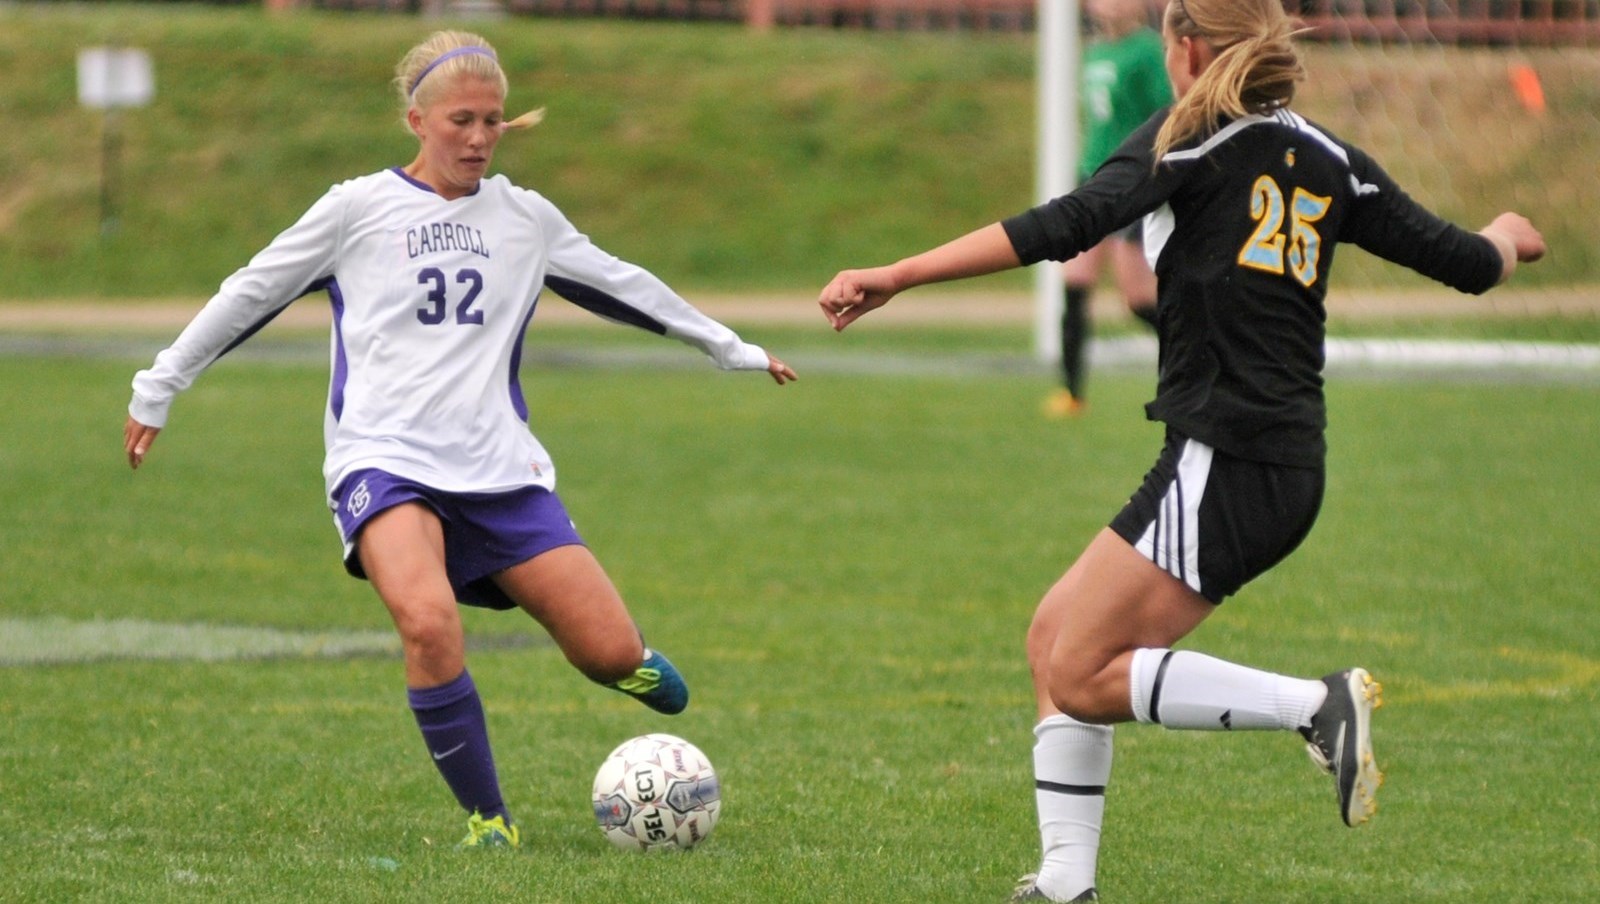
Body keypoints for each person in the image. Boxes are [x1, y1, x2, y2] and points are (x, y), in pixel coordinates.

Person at [818, 0, 1544, 897]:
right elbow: (1466, 262)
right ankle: (1064, 882)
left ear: (1185, 47)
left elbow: (1066, 222)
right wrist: (1508, 238)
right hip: (1269, 461)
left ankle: (1314, 708)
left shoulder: (1187, 135)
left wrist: (898, 273)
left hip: (1228, 460)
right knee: (1055, 638)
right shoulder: (1328, 159)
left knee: (1079, 672)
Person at [124, 30, 796, 850]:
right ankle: (490, 821)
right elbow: (249, 293)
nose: (479, 138)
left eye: (494, 122)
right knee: (429, 622)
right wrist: (159, 386)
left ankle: (628, 664)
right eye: (461, 121)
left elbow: (625, 286)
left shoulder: (525, 219)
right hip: (383, 460)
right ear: (417, 120)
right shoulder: (355, 209)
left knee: (606, 648)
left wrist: (733, 348)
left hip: (500, 469)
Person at [1047, 0, 1172, 418]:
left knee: (1138, 298)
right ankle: (1071, 393)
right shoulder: (1096, 52)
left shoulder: (1148, 51)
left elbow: (1164, 113)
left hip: (1131, 182)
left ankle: (1200, 363)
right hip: (1090, 179)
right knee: (1075, 281)